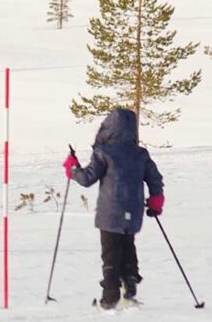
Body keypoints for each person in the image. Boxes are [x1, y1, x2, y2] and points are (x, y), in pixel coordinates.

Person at [63, 107, 165, 309]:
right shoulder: (140, 154)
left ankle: (110, 297)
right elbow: (155, 179)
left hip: (111, 212)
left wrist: (72, 169)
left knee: (110, 252)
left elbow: (87, 179)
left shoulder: (104, 152)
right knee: (128, 247)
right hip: (133, 213)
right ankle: (130, 287)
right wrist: (156, 200)